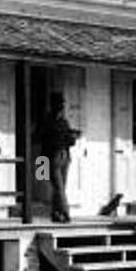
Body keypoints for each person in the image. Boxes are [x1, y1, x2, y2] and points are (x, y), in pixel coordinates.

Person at [38, 93, 80, 222]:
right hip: (60, 155)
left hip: (55, 156)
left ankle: (61, 213)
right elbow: (69, 141)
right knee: (59, 187)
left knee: (57, 187)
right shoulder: (60, 122)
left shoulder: (50, 121)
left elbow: (38, 136)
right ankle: (60, 213)